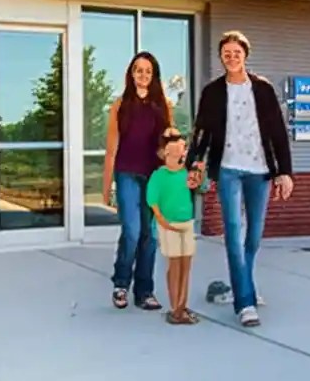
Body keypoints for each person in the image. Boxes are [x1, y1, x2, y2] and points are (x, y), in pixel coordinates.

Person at [189, 31, 293, 328]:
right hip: (228, 169)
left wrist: (284, 171)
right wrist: (195, 163)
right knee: (234, 233)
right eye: (226, 53)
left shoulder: (262, 89)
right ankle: (245, 302)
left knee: (254, 236)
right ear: (221, 57)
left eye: (236, 52)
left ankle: (241, 284)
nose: (231, 57)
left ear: (245, 55)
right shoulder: (213, 92)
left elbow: (277, 133)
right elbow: (201, 132)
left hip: (260, 170)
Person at [102, 51, 175, 311]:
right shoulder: (120, 104)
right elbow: (112, 148)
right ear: (131, 74)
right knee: (131, 231)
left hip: (153, 177)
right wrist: (106, 186)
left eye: (147, 71)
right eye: (138, 70)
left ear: (153, 75)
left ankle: (144, 291)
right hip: (126, 174)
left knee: (150, 235)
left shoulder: (163, 104)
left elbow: (169, 146)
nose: (142, 75)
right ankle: (121, 283)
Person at [147, 127, 198, 325]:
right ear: (164, 151)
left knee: (186, 264)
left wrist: (198, 178)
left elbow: (201, 187)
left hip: (187, 222)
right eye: (175, 143)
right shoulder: (159, 175)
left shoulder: (187, 172)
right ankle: (175, 307)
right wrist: (160, 220)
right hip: (169, 224)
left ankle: (181, 306)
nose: (180, 149)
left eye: (182, 145)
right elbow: (152, 199)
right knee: (175, 263)